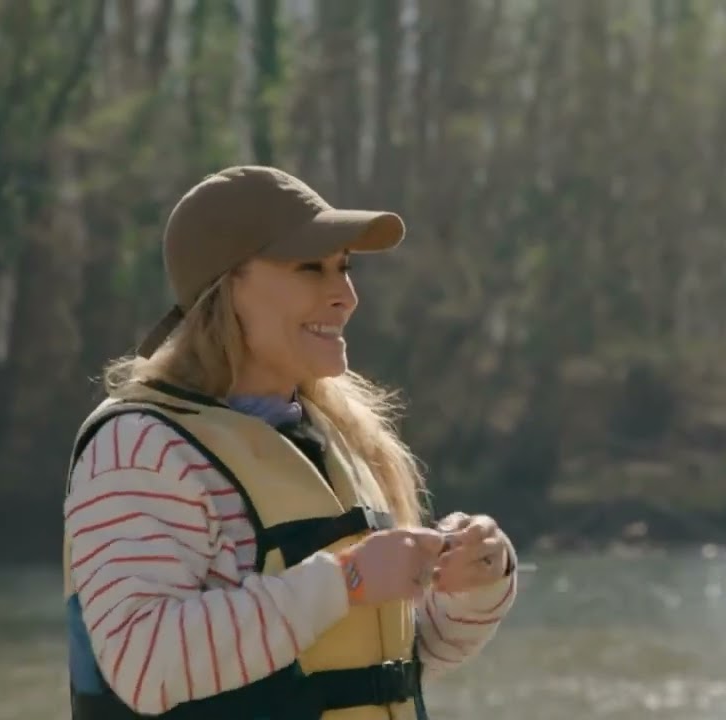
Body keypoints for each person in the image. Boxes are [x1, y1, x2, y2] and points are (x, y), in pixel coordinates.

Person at [62, 166, 518, 720]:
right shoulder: (140, 448)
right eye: (311, 268)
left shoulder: (333, 439)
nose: (346, 296)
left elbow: (390, 662)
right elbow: (143, 664)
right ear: (227, 287)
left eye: (344, 268)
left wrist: (473, 588)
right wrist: (347, 580)